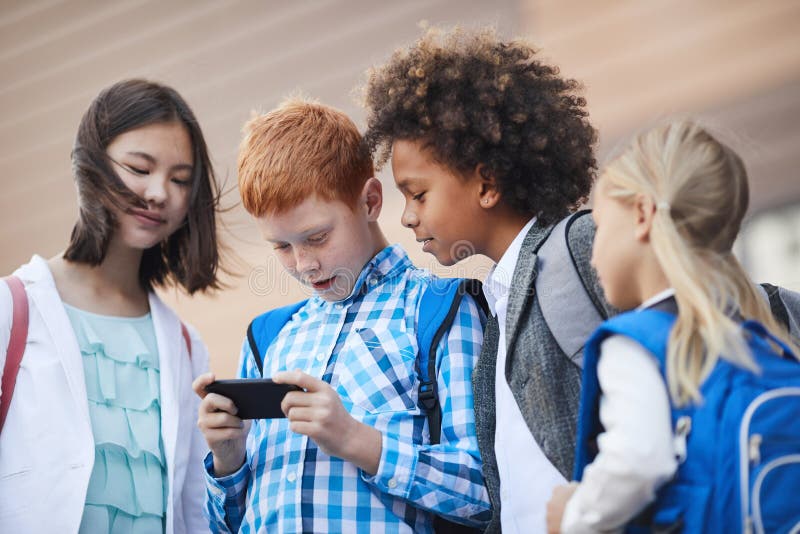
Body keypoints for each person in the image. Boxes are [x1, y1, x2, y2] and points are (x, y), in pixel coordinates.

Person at [192, 98, 490, 533]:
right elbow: (229, 525)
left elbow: (486, 493)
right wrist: (228, 459)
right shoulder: (268, 337)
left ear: (369, 201)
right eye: (281, 246)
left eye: (317, 236)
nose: (303, 263)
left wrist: (357, 441)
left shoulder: (441, 312)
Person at [362, 26, 613, 532]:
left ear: (487, 184)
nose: (407, 218)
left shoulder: (580, 250)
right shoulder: (492, 309)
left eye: (418, 194)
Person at [545, 120, 800, 532]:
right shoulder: (761, 338)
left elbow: (638, 460)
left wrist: (571, 517)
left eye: (601, 229)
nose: (592, 256)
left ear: (643, 214)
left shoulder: (635, 343)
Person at [0, 79, 223, 533]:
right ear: (92, 163)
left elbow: (193, 510)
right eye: (140, 168)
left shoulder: (186, 344)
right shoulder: (10, 308)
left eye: (180, 179)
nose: (159, 192)